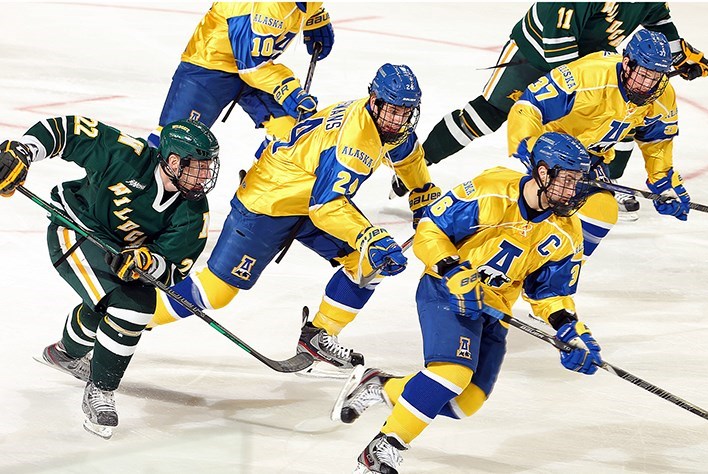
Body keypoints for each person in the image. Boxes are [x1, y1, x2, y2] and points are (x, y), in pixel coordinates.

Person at [333, 132, 604, 473]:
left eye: (578, 181)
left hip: (495, 308)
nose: (574, 190)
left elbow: (550, 292)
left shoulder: (567, 231)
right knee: (452, 373)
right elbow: (430, 228)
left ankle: (382, 385)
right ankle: (382, 449)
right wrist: (452, 269)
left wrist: (572, 331)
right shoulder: (493, 189)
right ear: (542, 172)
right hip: (447, 290)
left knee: (465, 402)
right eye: (567, 180)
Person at [146, 64, 441, 374]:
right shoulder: (353, 143)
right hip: (270, 200)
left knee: (366, 262)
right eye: (393, 110)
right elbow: (326, 207)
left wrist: (422, 190)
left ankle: (318, 336)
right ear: (374, 101)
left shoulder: (386, 126)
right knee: (216, 292)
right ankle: (133, 317)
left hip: (308, 197)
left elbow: (408, 156)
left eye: (405, 112)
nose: (398, 119)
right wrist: (369, 236)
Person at [0, 118, 220, 438]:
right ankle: (101, 390)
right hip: (75, 227)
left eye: (208, 166)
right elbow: (68, 131)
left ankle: (64, 354)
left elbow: (173, 268)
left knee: (115, 304)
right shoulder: (126, 156)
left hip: (117, 253)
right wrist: (23, 151)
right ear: (173, 162)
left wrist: (146, 261)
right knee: (133, 308)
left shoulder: (193, 212)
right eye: (198, 166)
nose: (205, 175)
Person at [392, 2, 708, 220]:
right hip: (536, 53)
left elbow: (659, 20)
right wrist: (586, 88)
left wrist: (677, 55)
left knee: (625, 113)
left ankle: (600, 185)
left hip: (592, 61)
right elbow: (558, 44)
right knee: (487, 115)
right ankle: (415, 168)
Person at [507, 29, 690, 259]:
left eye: (656, 77)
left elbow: (657, 142)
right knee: (543, 209)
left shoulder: (661, 95)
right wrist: (530, 147)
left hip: (592, 159)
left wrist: (664, 182)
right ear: (627, 63)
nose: (648, 85)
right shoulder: (588, 75)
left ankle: (565, 267)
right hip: (555, 154)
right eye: (644, 75)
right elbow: (529, 106)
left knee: (603, 211)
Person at [147, 2, 336, 149]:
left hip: (258, 70)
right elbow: (251, 68)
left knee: (292, 131)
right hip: (210, 68)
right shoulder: (265, 7)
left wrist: (314, 16)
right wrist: (288, 89)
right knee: (176, 141)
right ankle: (140, 182)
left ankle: (261, 187)